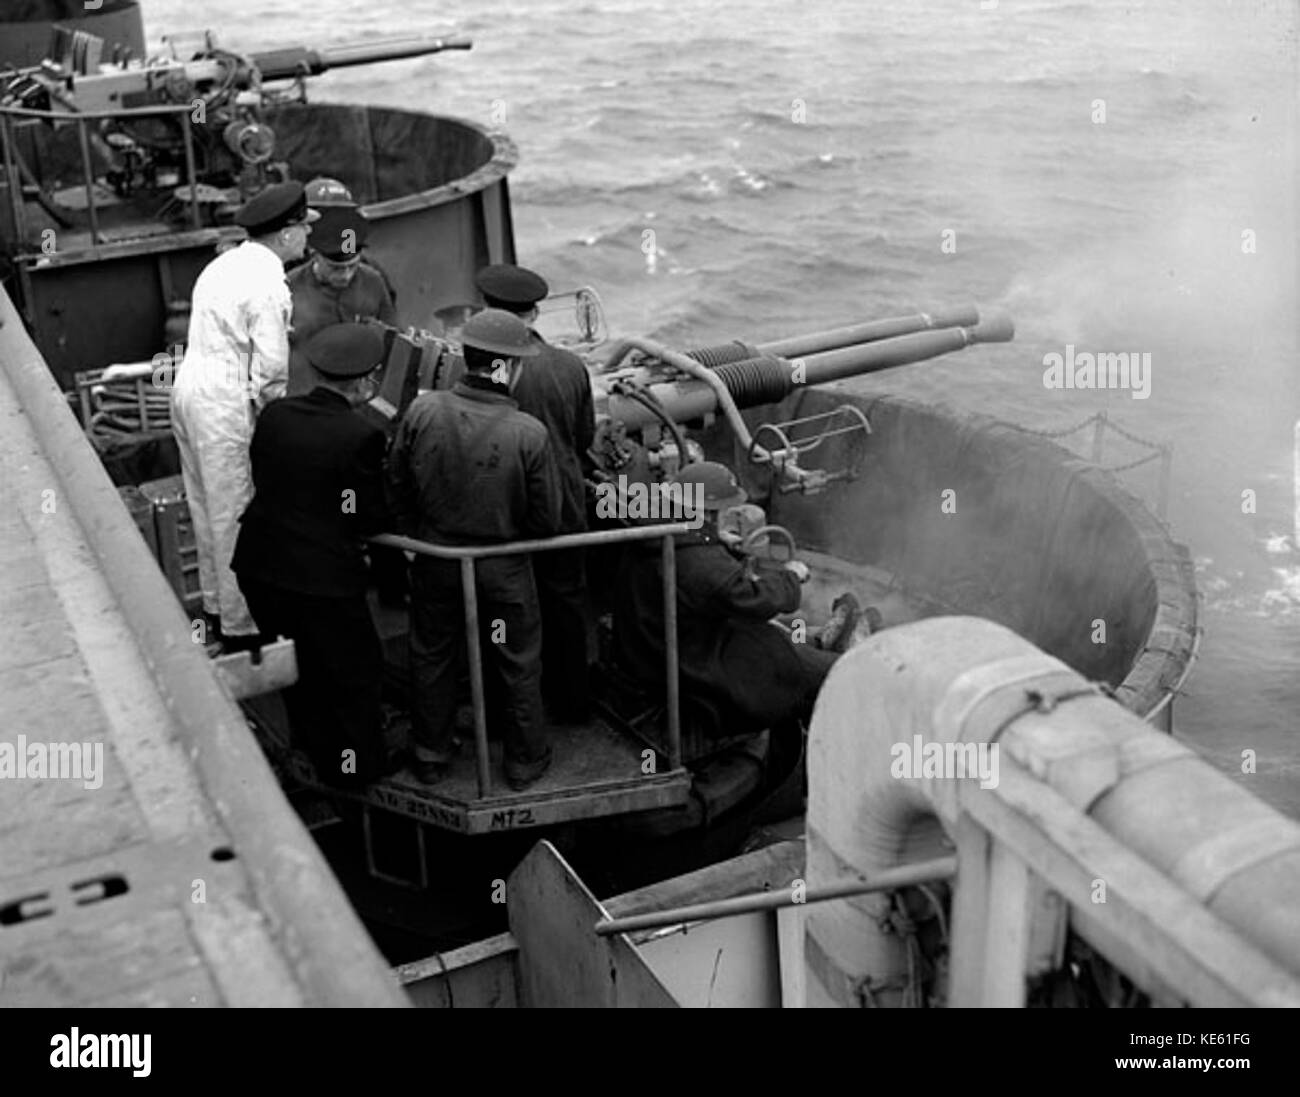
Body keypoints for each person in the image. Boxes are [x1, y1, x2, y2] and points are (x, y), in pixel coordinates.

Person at [386, 309, 564, 789]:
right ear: (508, 368)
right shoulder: (528, 433)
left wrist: (415, 538)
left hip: (437, 563)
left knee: (432, 654)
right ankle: (524, 762)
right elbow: (547, 519)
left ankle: (430, 755)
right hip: (502, 571)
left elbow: (396, 486)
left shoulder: (423, 411)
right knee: (515, 657)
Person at [231, 323, 393, 787]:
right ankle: (357, 771)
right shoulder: (359, 435)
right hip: (319, 579)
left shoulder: (276, 415)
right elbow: (362, 514)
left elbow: (275, 478)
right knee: (354, 675)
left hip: (261, 566)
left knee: (300, 670)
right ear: (365, 382)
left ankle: (314, 753)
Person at [171, 179, 318, 651]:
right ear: (286, 234)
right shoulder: (270, 283)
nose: (308, 237)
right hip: (223, 401)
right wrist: (277, 432)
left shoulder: (225, 264)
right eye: (303, 228)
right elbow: (272, 371)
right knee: (236, 513)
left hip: (189, 390)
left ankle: (215, 610)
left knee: (204, 506)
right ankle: (244, 630)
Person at [611, 461, 840, 737]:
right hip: (690, 665)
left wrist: (715, 538)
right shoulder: (699, 564)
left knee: (782, 640)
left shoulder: (653, 531)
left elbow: (697, 560)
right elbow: (753, 600)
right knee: (819, 672)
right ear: (706, 511)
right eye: (720, 512)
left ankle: (814, 641)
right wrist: (791, 577)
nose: (723, 516)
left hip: (652, 650)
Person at [473, 263, 597, 723]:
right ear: (535, 313)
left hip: (505, 513)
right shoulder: (570, 366)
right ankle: (573, 704)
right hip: (564, 505)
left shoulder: (487, 370)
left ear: (487, 311)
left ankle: (508, 716)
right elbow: (583, 438)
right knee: (565, 606)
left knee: (502, 613)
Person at [286, 202, 396, 396]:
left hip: (359, 398)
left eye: (352, 266)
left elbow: (391, 336)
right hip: (306, 398)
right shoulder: (288, 289)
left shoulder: (373, 281)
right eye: (335, 268)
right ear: (315, 255)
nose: (345, 275)